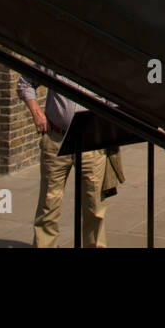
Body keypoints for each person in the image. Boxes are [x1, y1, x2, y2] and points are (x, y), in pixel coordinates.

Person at [17, 73, 113, 248]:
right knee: (49, 203)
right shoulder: (55, 56)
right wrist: (37, 112)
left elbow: (116, 96)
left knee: (94, 206)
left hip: (90, 141)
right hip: (56, 138)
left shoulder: (99, 61)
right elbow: (25, 83)